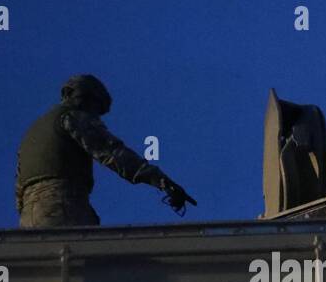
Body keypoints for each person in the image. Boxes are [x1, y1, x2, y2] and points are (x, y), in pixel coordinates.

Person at [14, 74, 195, 228]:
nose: (94, 115)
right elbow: (112, 153)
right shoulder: (71, 117)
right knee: (88, 261)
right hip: (62, 206)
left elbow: (19, 188)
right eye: (94, 106)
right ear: (72, 95)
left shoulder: (33, 132)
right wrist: (161, 180)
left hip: (29, 217)